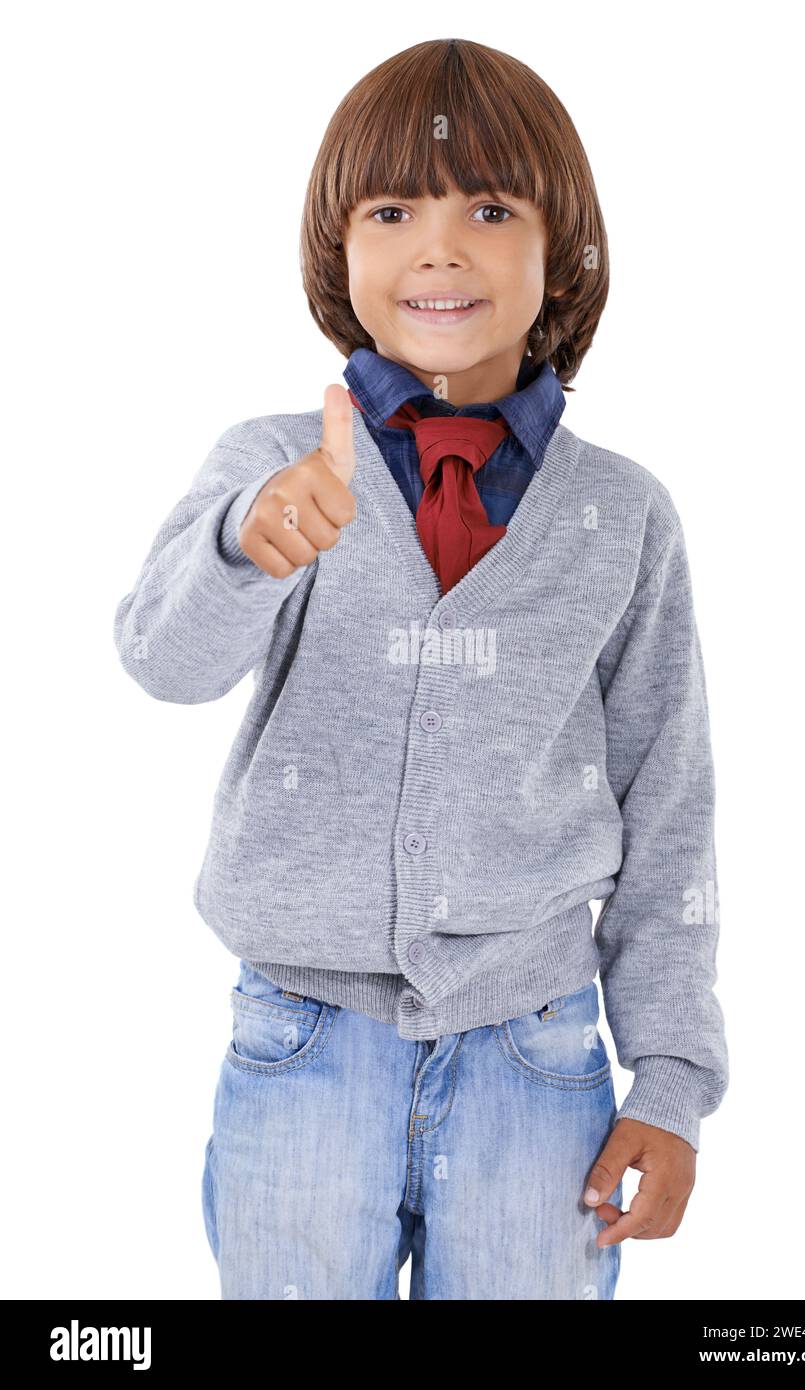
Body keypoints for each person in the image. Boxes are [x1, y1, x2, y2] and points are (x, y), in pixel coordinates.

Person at [113, 37, 728, 1300]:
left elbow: (669, 807)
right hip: (300, 1041)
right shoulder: (273, 464)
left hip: (538, 1060)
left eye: (489, 209)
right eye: (391, 211)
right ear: (336, 252)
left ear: (562, 249)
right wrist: (245, 546)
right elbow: (162, 661)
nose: (438, 247)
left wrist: (667, 1077)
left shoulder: (622, 516)